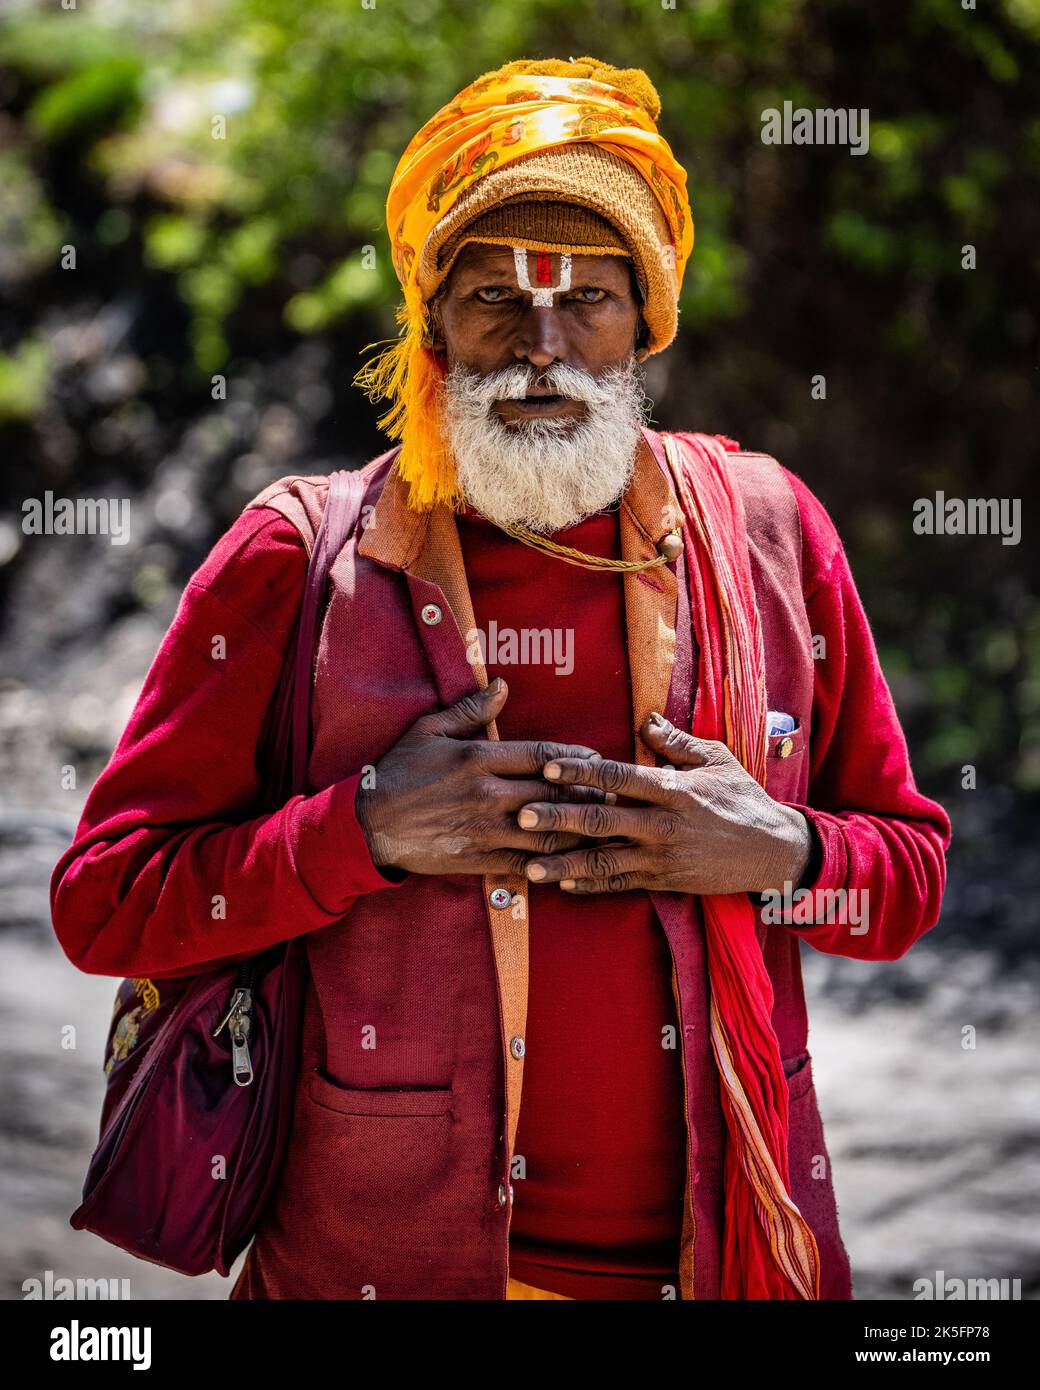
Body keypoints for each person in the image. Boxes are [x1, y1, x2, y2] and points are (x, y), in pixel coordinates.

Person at [51, 56, 950, 1301]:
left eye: (584, 297)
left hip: (732, 1263)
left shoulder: (768, 533)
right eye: (492, 299)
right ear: (430, 324)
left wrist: (783, 851)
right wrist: (361, 828)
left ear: (646, 319)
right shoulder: (298, 555)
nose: (541, 344)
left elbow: (903, 882)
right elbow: (105, 904)